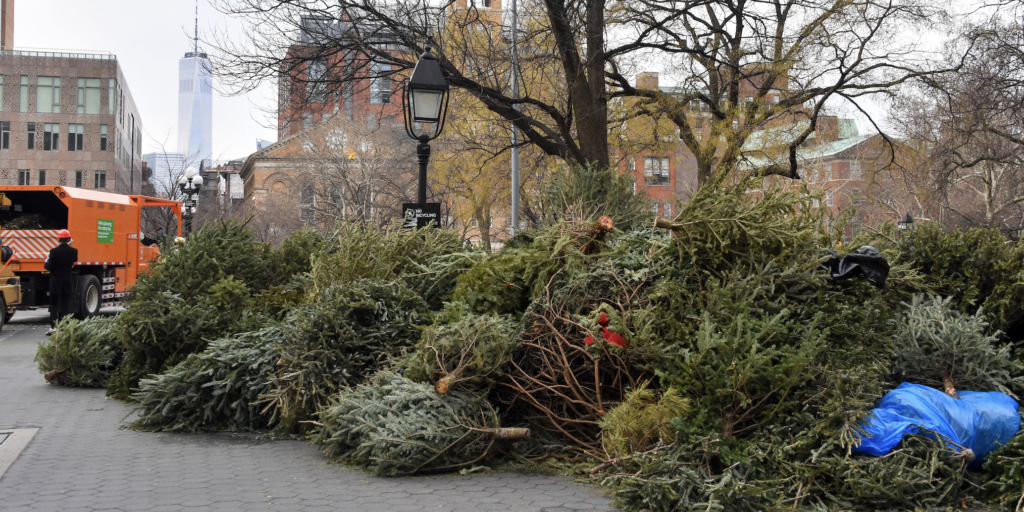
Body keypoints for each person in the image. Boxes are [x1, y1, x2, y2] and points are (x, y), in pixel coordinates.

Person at [44, 229, 78, 336]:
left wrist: (46, 260)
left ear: (58, 239)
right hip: (67, 282)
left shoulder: (53, 251)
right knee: (65, 304)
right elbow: (74, 261)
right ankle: (64, 326)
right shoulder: (74, 251)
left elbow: (48, 266)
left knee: (53, 304)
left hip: (55, 282)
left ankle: (53, 326)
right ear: (69, 238)